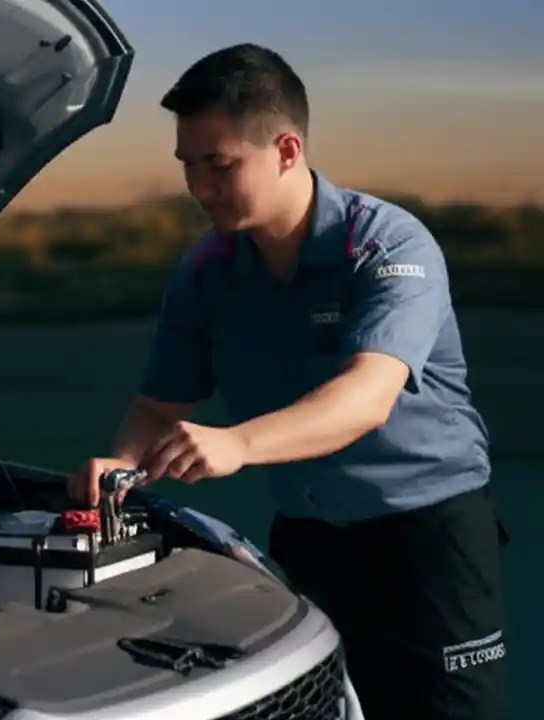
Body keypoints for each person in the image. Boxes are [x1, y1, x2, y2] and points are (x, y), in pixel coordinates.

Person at [68, 43, 508, 719]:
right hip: (310, 540)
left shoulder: (391, 246)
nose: (199, 188)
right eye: (188, 166)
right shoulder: (205, 271)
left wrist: (237, 444)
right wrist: (119, 467)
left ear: (286, 150)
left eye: (218, 165)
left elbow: (364, 399)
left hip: (429, 539)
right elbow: (160, 405)